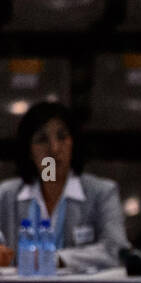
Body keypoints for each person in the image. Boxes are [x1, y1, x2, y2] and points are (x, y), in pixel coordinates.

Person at [0, 101, 127, 272]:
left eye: (62, 137)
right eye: (42, 139)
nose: (54, 149)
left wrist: (56, 259)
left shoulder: (102, 192)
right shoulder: (6, 194)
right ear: (28, 151)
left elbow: (116, 249)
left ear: (73, 143)